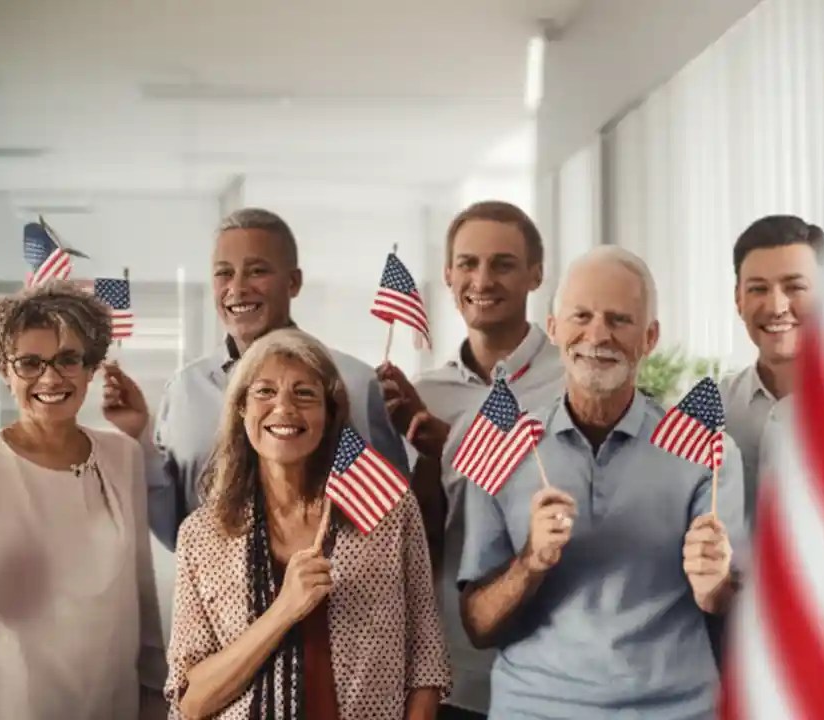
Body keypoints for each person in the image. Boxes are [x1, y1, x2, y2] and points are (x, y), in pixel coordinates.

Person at [457, 247, 746, 718]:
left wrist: (715, 588)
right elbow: (478, 627)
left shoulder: (706, 452)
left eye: (619, 320)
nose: (598, 335)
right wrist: (532, 562)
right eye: (582, 316)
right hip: (535, 708)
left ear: (649, 337)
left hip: (675, 709)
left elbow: (740, 614)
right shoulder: (504, 449)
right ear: (553, 328)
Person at [0, 280, 167, 719]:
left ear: (91, 367)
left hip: (108, 703)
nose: (50, 377)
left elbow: (140, 590)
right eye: (29, 363)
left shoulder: (123, 454)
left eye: (67, 359)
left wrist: (156, 692)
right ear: (6, 373)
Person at [164, 328, 450, 719]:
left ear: (330, 414)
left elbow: (426, 662)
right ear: (241, 409)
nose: (284, 408)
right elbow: (191, 702)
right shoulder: (202, 536)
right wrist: (284, 609)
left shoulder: (389, 511)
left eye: (304, 394)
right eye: (264, 391)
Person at [101, 207, 409, 550]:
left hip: (337, 593)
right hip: (217, 596)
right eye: (224, 273)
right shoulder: (185, 391)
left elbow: (393, 523)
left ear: (293, 282)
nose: (237, 288)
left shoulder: (353, 382)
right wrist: (139, 435)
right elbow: (175, 528)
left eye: (257, 271)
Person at [376, 200, 563, 719]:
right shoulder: (423, 392)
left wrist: (451, 445)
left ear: (535, 274)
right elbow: (411, 539)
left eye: (502, 263)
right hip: (450, 672)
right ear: (448, 275)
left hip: (553, 673)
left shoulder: (573, 383)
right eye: (468, 263)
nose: (482, 279)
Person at [720, 215, 824, 524]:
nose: (777, 306)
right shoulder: (713, 408)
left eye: (794, 287)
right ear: (738, 300)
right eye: (758, 289)